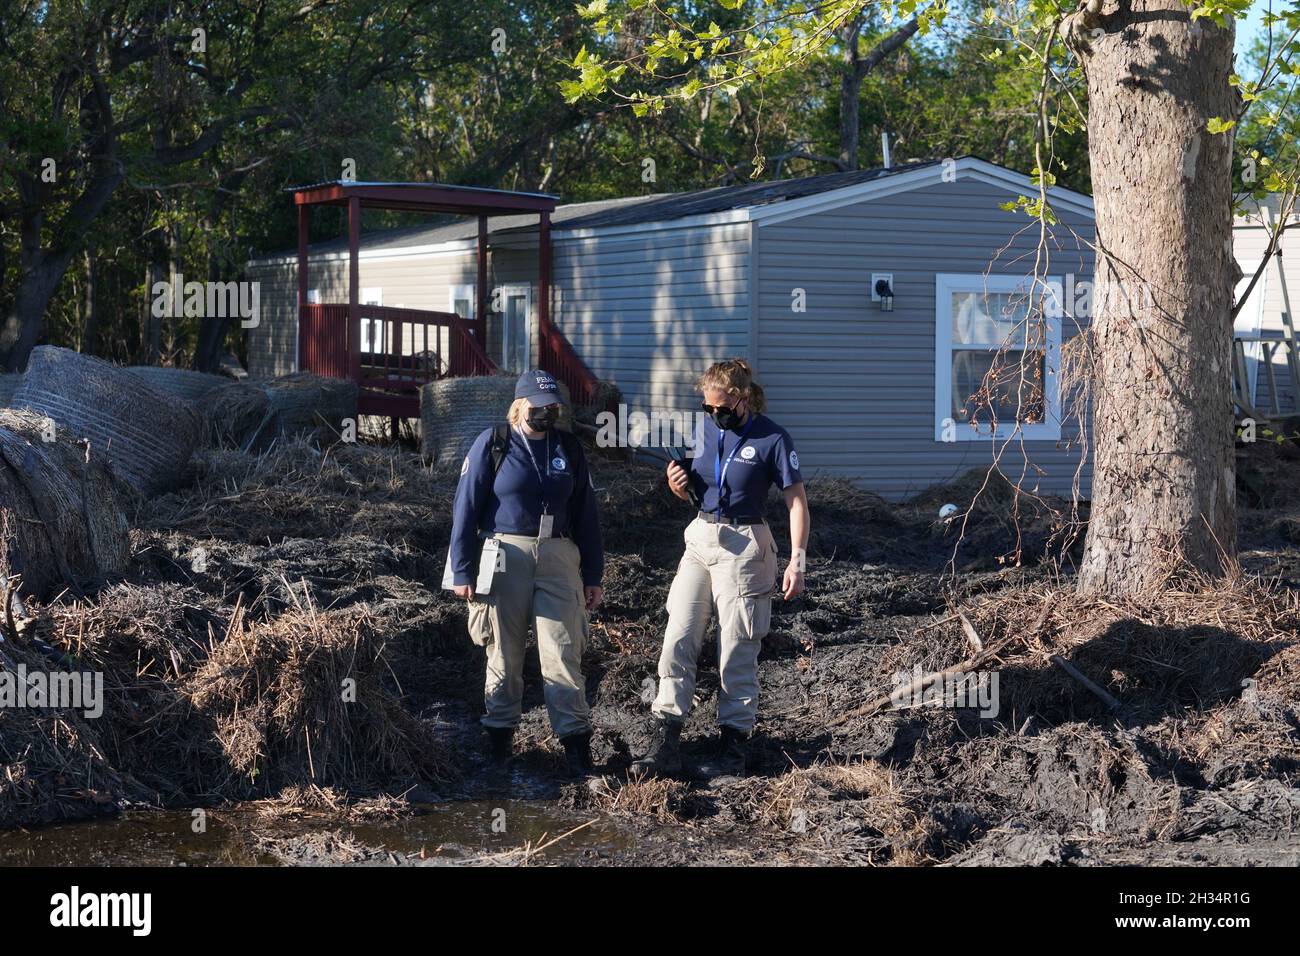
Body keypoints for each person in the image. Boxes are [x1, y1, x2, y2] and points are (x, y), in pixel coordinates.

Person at [631, 358, 809, 780]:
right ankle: (667, 738)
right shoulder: (707, 429)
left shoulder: (773, 439)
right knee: (679, 633)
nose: (714, 416)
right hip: (700, 539)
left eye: (722, 409)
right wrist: (679, 486)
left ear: (742, 399)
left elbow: (797, 503)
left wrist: (796, 561)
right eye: (708, 409)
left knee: (737, 646)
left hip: (746, 546)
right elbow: (699, 487)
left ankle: (733, 746)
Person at [448, 368, 604, 778]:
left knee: (562, 650)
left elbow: (587, 511)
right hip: (504, 554)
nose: (548, 412)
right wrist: (461, 570)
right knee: (503, 649)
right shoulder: (494, 443)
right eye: (540, 406)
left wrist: (593, 573)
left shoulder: (568, 447)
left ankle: (576, 750)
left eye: (554, 406)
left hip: (559, 555)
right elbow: (465, 507)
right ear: (520, 405)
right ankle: (499, 745)